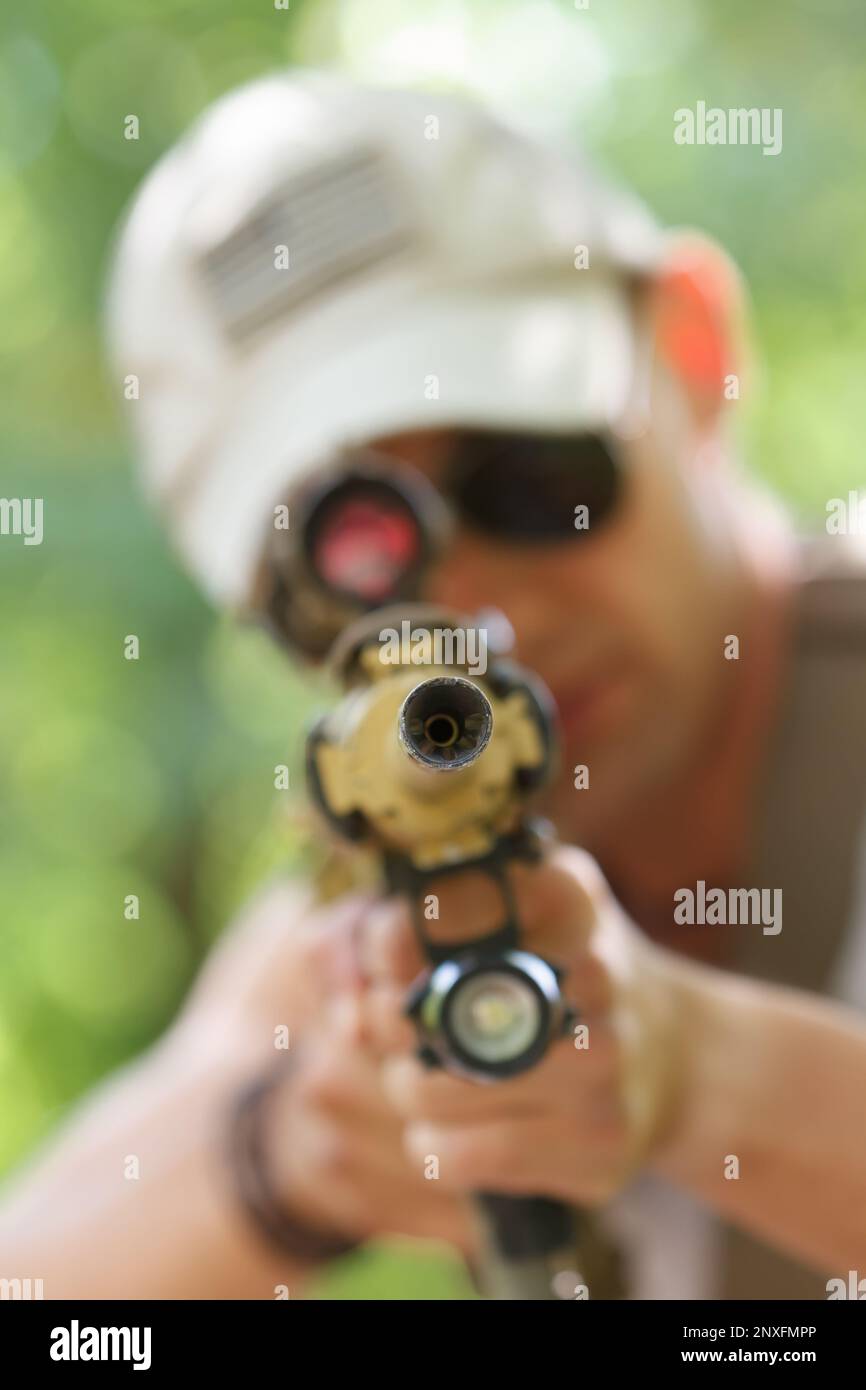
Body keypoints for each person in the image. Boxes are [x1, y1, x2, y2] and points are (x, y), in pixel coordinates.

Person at [2, 71, 865, 1301]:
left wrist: (697, 1077)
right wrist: (290, 1156)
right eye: (354, 583)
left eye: (524, 476)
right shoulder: (381, 906)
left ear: (691, 349)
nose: (476, 621)